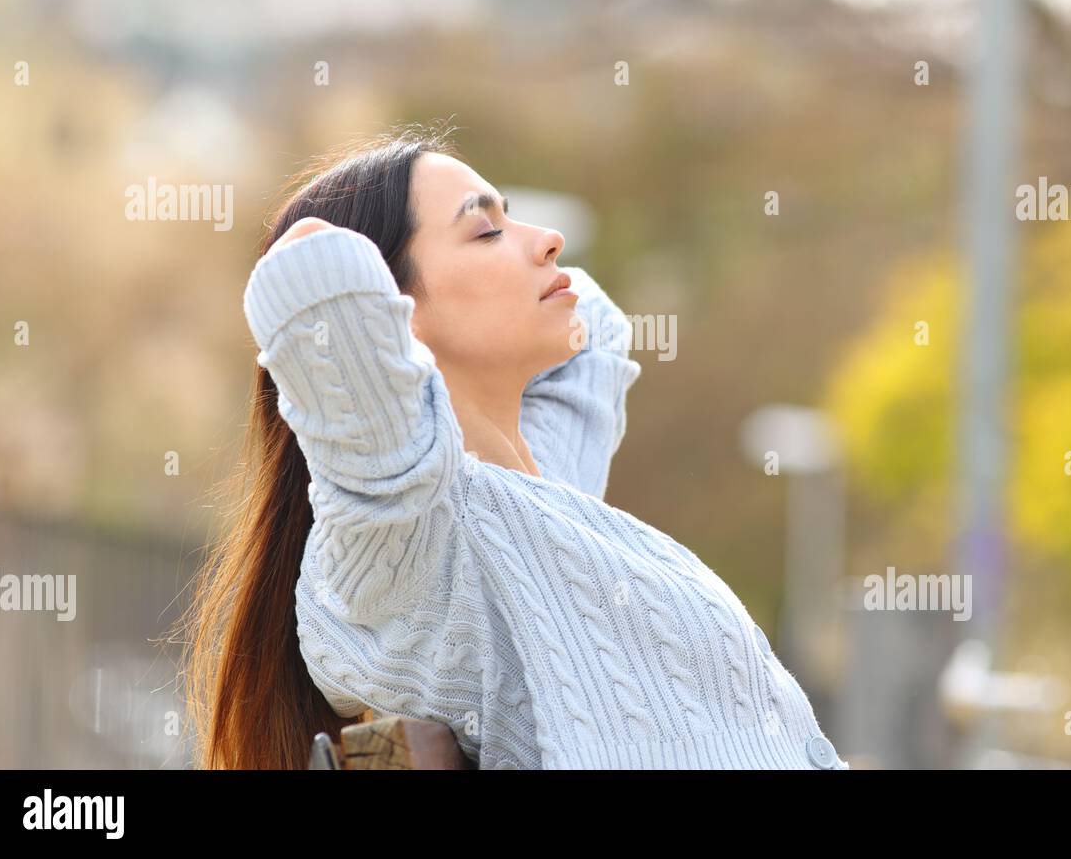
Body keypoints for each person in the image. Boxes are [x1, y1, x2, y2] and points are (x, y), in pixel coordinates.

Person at [183, 122, 847, 770]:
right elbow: (309, 263)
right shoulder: (408, 535)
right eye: (487, 230)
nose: (551, 242)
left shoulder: (543, 503)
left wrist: (490, 236)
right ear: (391, 314)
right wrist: (393, 351)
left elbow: (600, 332)